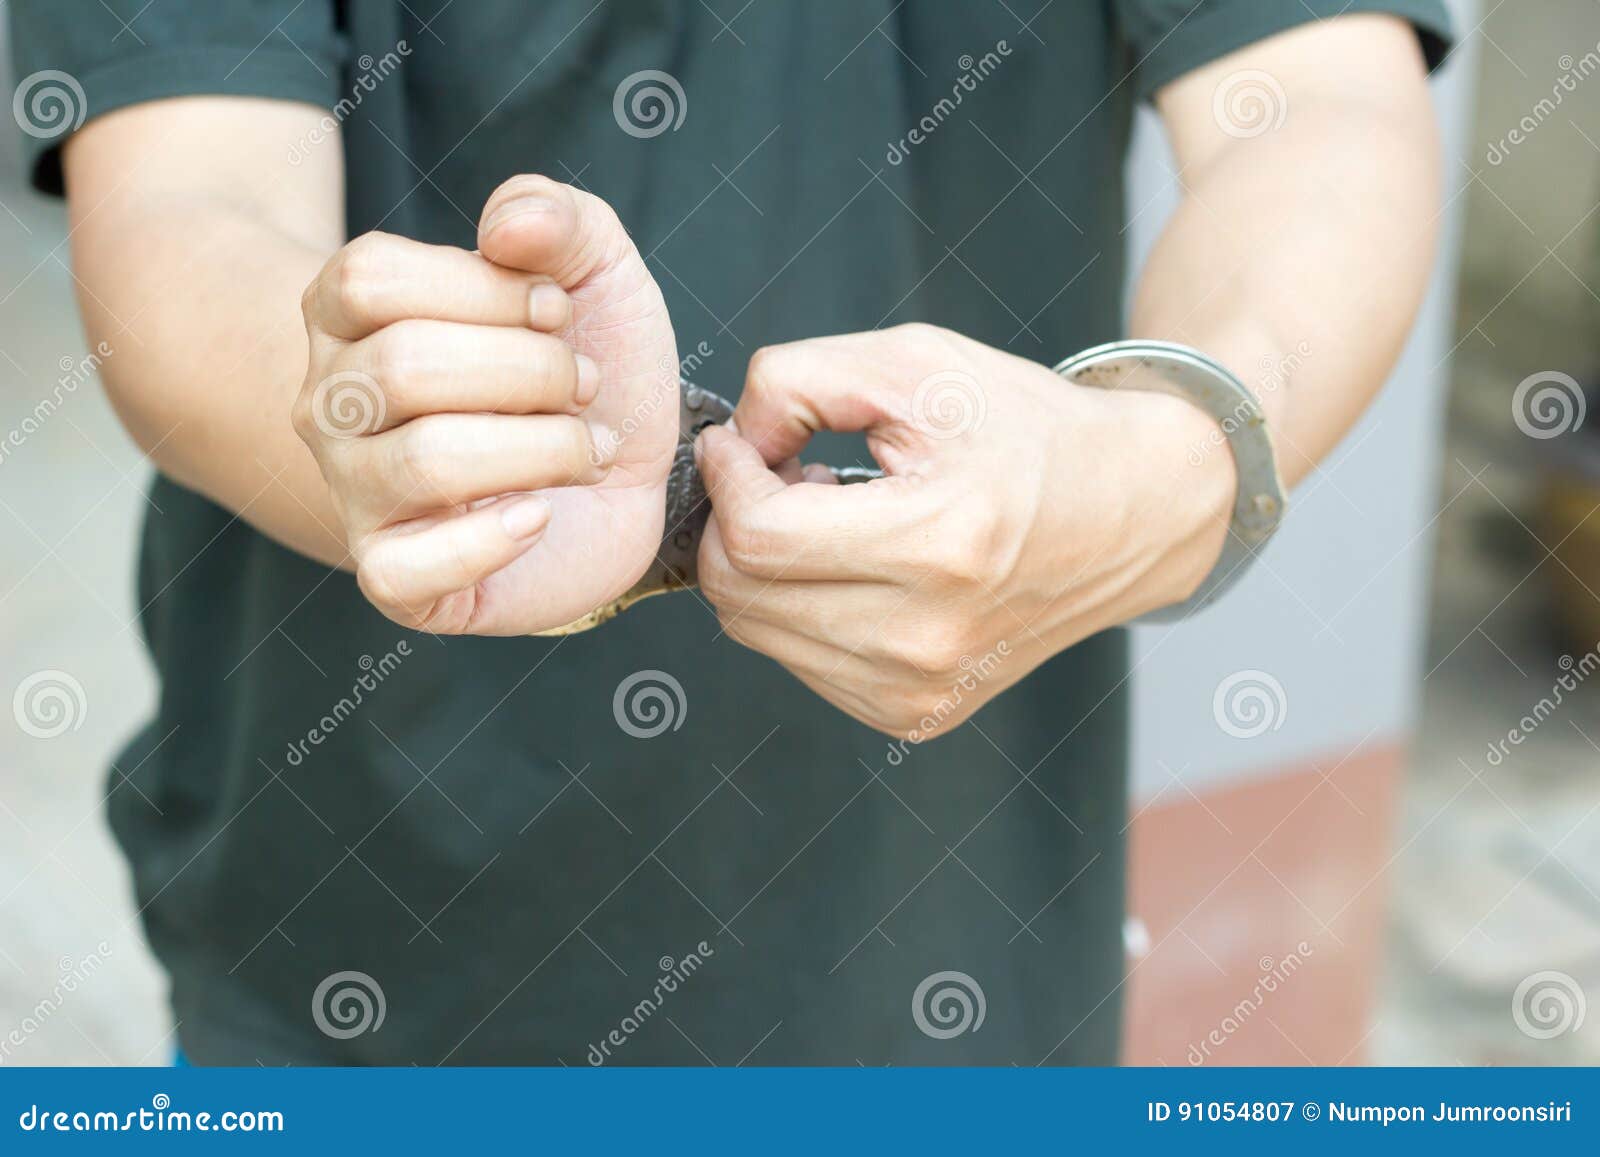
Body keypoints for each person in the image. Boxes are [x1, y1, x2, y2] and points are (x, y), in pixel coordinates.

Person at [9, 1, 1450, 1065]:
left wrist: (1168, 460)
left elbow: (1320, 104)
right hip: (358, 950)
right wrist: (391, 427)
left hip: (952, 941)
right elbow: (188, 206)